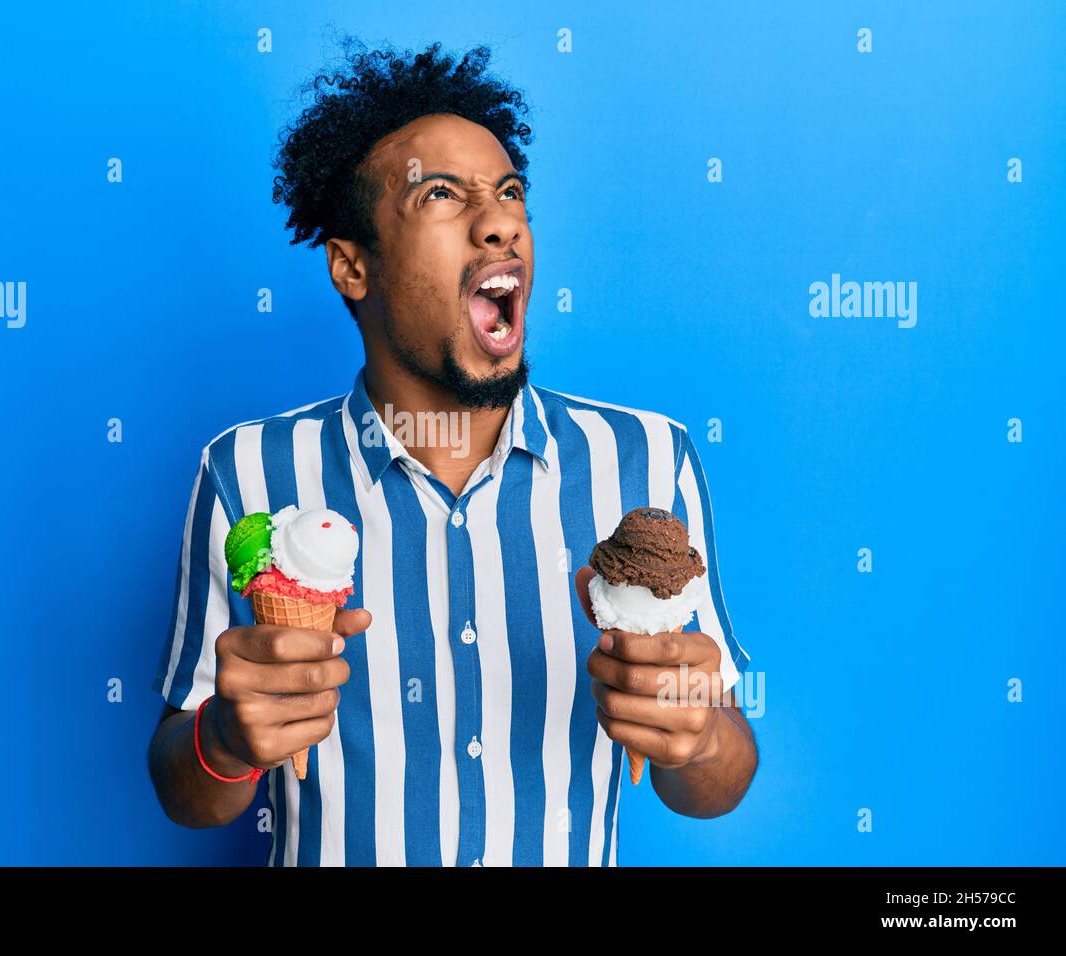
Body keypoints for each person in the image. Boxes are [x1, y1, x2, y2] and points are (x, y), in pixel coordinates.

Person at [148, 40, 756, 866]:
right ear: (352, 265)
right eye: (442, 194)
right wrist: (225, 737)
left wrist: (694, 734)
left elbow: (722, 774)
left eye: (510, 193)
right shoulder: (247, 471)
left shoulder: (647, 457)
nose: (501, 219)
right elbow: (183, 792)